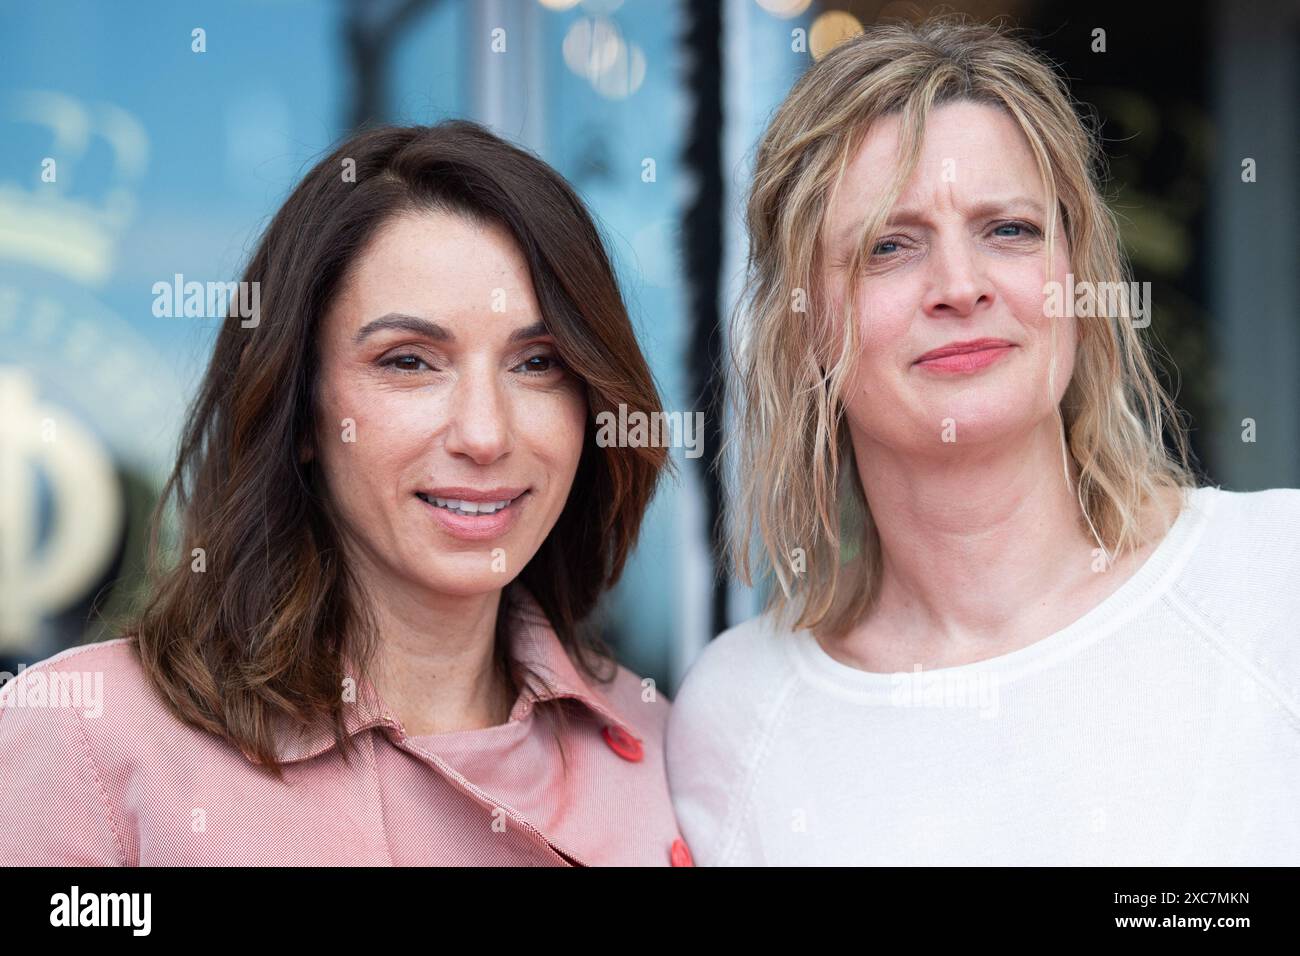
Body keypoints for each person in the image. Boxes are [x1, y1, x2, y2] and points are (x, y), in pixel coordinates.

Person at [666, 16, 1300, 866]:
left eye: (1008, 230)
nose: (960, 287)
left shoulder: (1275, 579)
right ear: (803, 325)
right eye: (889, 246)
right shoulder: (737, 713)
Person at [0, 120, 692, 867]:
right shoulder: (85, 741)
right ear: (301, 409)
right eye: (409, 362)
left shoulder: (660, 745)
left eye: (537, 363)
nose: (485, 434)